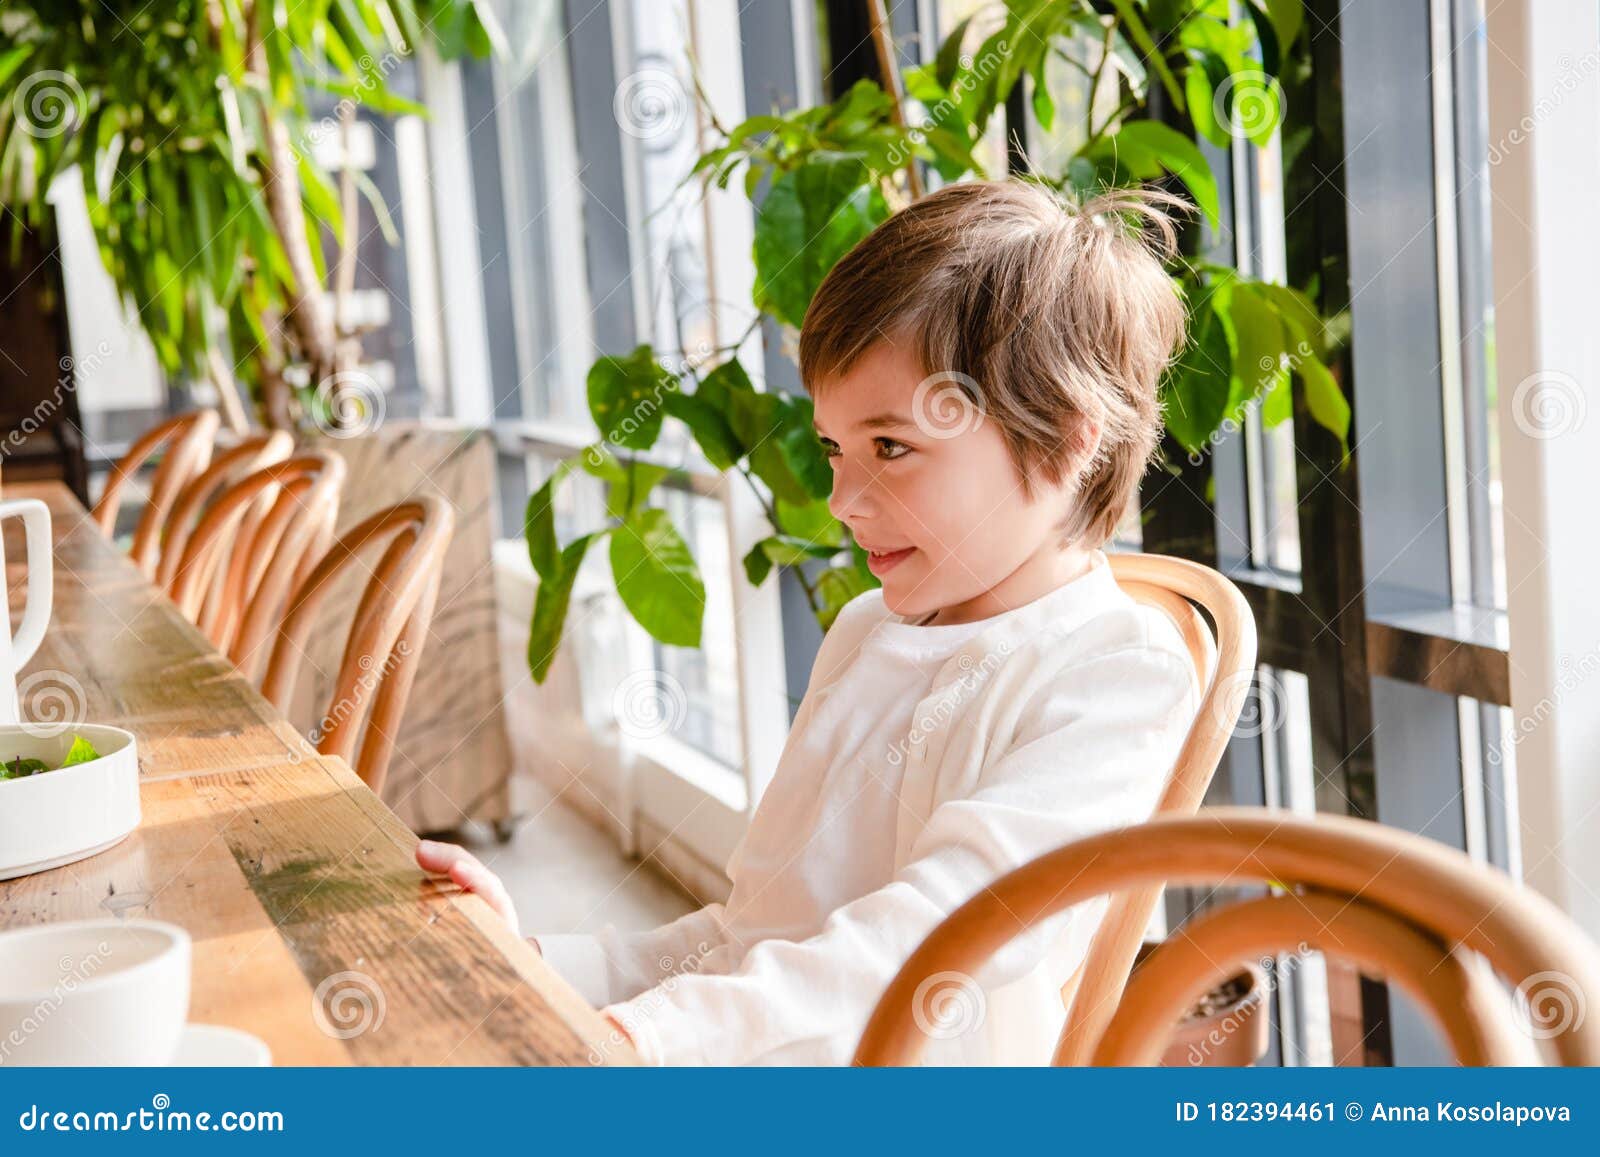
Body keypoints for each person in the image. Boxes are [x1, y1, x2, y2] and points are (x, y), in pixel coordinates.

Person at [418, 179, 1202, 1065]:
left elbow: (927, 942)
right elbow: (755, 935)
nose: (841, 500)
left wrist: (648, 1039)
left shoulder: (1117, 672)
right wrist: (547, 968)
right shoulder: (867, 631)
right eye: (834, 448)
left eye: (891, 448)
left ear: (1064, 438)